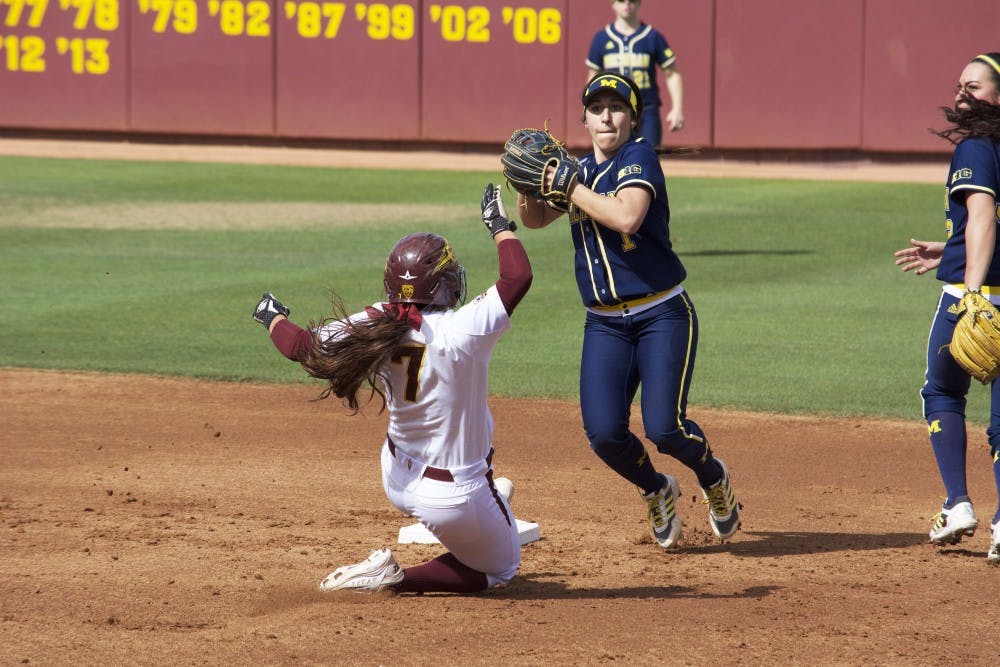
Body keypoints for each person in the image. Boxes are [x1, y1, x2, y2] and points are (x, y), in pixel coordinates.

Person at [252, 184, 533, 591]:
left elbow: (301, 346)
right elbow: (517, 276)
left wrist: (272, 316)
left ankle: (488, 507)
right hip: (452, 497)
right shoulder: (462, 329)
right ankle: (394, 578)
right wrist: (498, 226)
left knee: (482, 484)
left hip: (396, 475)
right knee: (502, 568)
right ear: (443, 284)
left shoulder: (379, 319)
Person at [513, 71, 739, 549]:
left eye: (617, 108)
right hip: (606, 326)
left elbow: (626, 215)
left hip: (662, 315)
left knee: (664, 428)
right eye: (597, 109)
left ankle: (712, 474)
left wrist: (569, 186)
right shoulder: (578, 169)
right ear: (586, 119)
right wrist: (529, 186)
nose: (606, 116)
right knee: (604, 434)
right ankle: (657, 489)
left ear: (633, 118)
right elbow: (535, 220)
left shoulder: (639, 157)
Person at [893, 52, 1000, 566]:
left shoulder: (976, 147)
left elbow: (981, 214)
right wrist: (950, 246)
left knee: (941, 393)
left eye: (974, 86)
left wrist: (972, 289)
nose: (961, 93)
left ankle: (957, 503)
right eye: (959, 84)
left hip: (972, 296)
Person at [585, 0, 684, 146]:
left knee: (648, 159)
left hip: (647, 110)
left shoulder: (652, 37)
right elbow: (593, 76)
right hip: (615, 111)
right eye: (621, 1)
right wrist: (588, 106)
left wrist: (677, 108)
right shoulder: (601, 39)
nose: (626, 4)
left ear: (639, 4)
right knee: (615, 161)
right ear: (613, 4)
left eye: (631, 1)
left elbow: (672, 74)